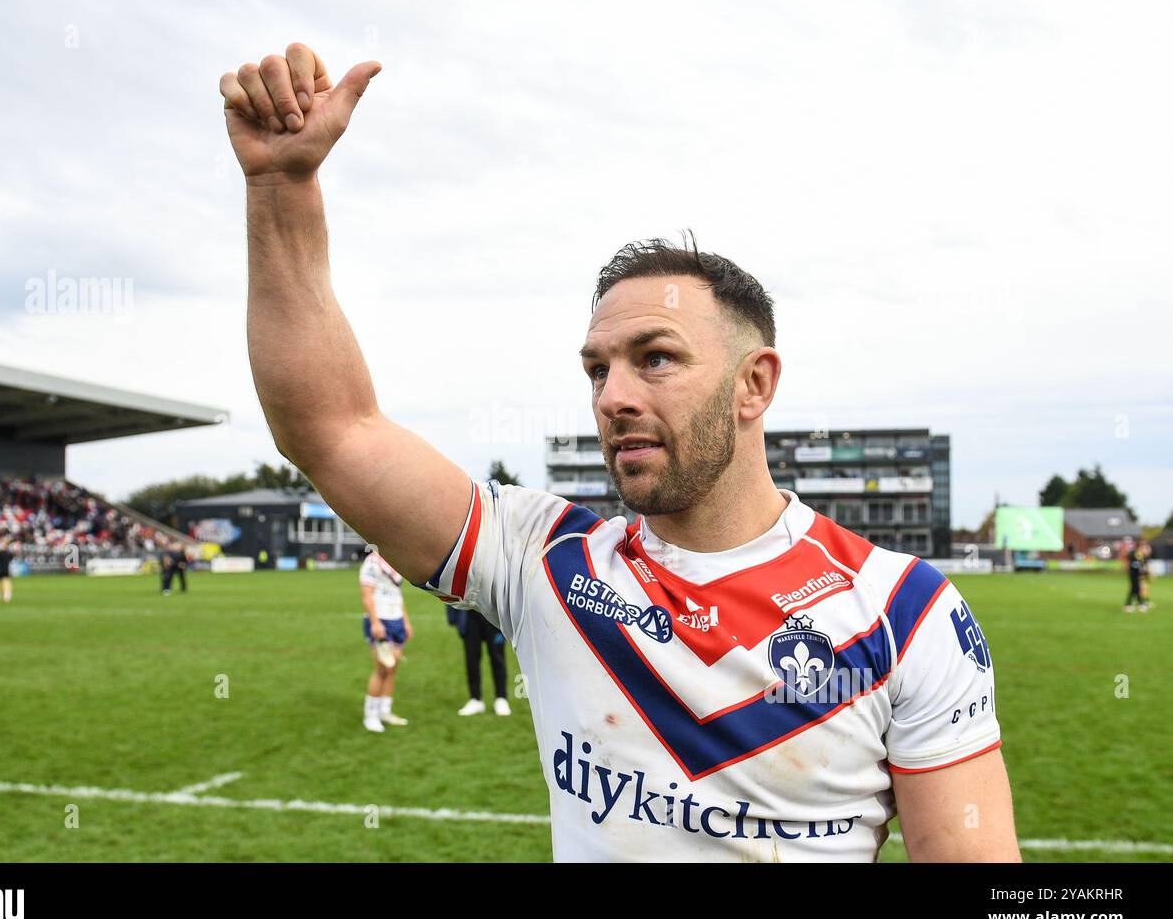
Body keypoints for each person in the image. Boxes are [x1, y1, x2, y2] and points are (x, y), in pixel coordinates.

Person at [220, 42, 1020, 861]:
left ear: (755, 385)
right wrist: (281, 187)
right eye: (597, 370)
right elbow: (332, 429)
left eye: (656, 359)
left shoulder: (905, 613)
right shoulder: (540, 560)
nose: (613, 397)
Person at [359, 546, 412, 733]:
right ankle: (370, 716)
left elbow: (397, 594)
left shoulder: (395, 563)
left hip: (396, 620)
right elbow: (366, 596)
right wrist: (375, 622)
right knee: (382, 669)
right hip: (380, 620)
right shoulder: (372, 563)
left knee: (393, 668)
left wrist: (405, 621)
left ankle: (385, 711)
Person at [447, 605, 510, 716]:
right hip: (469, 613)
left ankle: (501, 698)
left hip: (493, 613)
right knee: (471, 657)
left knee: (497, 657)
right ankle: (475, 699)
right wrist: (452, 615)